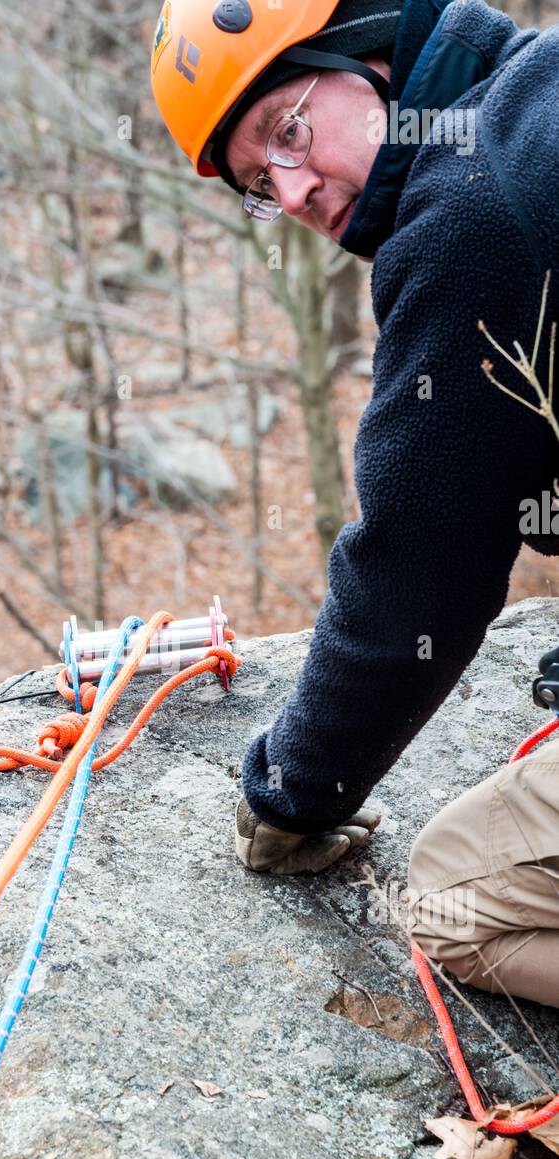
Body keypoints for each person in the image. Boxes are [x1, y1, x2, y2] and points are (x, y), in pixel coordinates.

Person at [150, 0, 559, 1006]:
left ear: (372, 51)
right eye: (257, 184)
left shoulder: (471, 217)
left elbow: (418, 570)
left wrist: (295, 790)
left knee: (457, 892)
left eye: (288, 132)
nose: (290, 191)